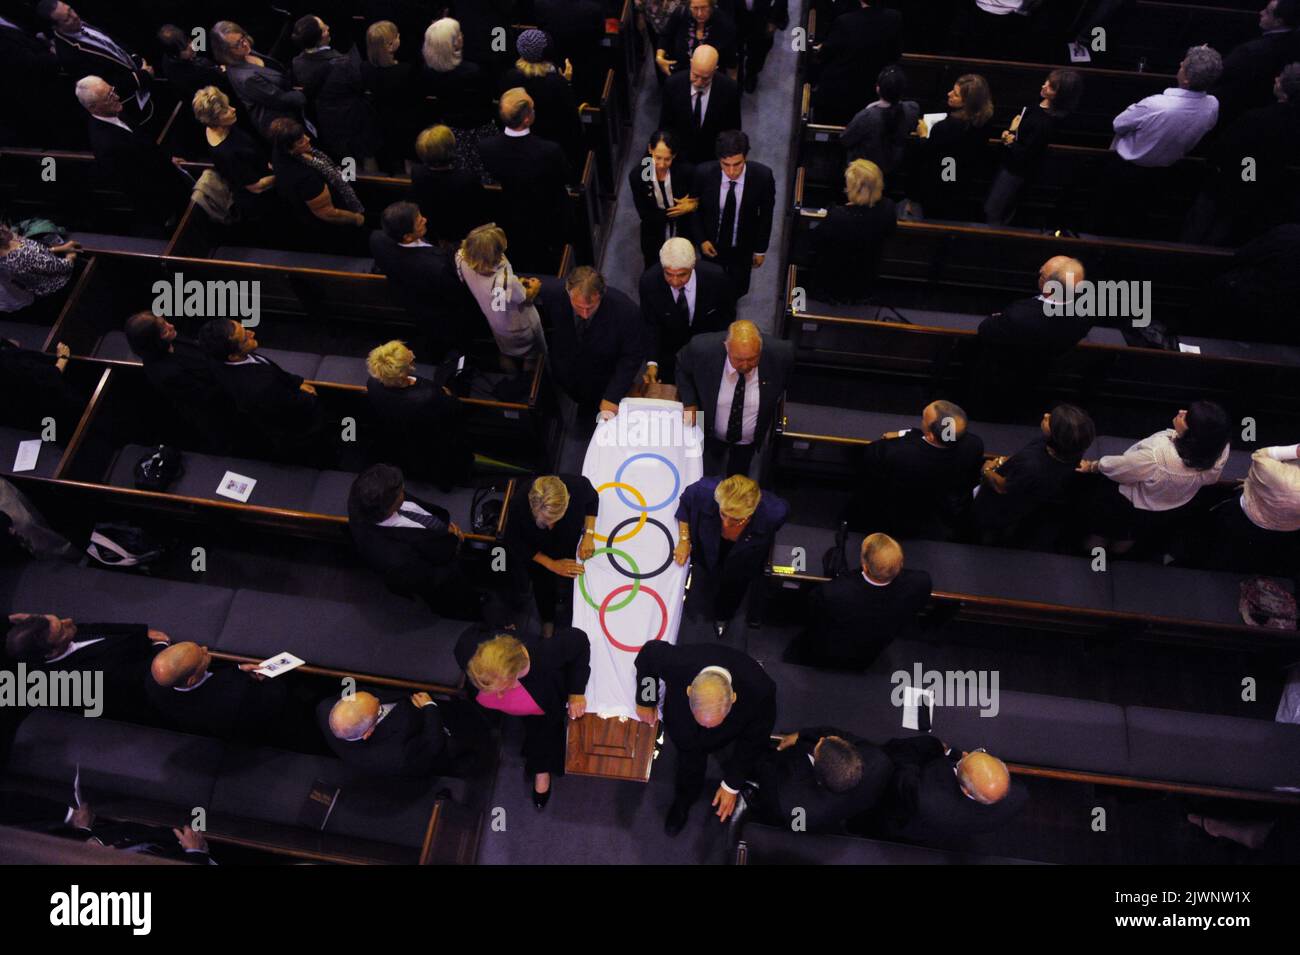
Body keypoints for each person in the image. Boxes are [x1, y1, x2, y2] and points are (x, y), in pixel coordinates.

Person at [633, 642, 776, 835]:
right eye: (702, 720)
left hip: (729, 734)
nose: (706, 728)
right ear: (689, 690)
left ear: (733, 698)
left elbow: (754, 739)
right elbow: (648, 655)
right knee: (688, 768)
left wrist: (732, 784)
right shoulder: (677, 662)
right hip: (685, 736)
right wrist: (645, 698)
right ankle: (684, 801)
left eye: (712, 722)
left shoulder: (759, 689)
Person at [455, 624, 590, 809]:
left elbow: (580, 639)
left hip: (542, 707)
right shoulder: (467, 649)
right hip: (517, 706)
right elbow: (472, 631)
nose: (497, 695)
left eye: (500, 688)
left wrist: (576, 692)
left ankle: (541, 769)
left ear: (514, 673)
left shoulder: (545, 655)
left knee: (545, 730)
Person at [1077, 402, 1231, 554]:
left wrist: (1092, 466)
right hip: (1162, 508)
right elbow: (1211, 479)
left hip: (1125, 502)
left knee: (1100, 534)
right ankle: (1113, 561)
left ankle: (1091, 562)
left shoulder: (1156, 455)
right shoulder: (1220, 449)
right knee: (1128, 537)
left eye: (1187, 417)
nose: (1181, 411)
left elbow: (1118, 468)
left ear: (1192, 436)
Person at [1185, 63, 1300, 246]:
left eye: (1280, 79)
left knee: (1205, 231)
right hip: (1269, 192)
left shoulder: (1257, 119)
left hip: (1231, 186)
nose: (1276, 79)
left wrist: (1246, 174)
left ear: (1283, 89)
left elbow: (1222, 150)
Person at [784, 533, 932, 669]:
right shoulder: (920, 583)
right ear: (900, 565)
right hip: (868, 653)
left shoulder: (833, 592)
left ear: (865, 566)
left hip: (825, 649)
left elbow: (812, 613)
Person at [846, 400, 986, 539]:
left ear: (930, 435)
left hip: (897, 514)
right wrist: (908, 434)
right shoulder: (974, 446)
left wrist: (905, 437)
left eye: (924, 419)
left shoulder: (893, 452)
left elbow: (867, 459)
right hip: (943, 515)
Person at [971, 255, 1090, 415]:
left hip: (998, 379)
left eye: (1042, 274)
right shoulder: (1084, 316)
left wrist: (999, 319)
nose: (1039, 275)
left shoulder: (1019, 314)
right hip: (1041, 377)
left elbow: (985, 330)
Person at [673, 319, 793, 477]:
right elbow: (682, 367)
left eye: (752, 359)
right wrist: (690, 402)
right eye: (738, 359)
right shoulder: (701, 348)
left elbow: (786, 383)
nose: (745, 366)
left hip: (748, 440)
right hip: (709, 431)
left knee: (738, 479)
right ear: (726, 347)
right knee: (705, 471)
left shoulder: (781, 354)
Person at [674, 474, 789, 636]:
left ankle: (723, 616)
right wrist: (684, 540)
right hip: (708, 546)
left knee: (734, 588)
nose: (726, 523)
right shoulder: (703, 491)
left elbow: (777, 524)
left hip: (745, 558)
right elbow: (685, 505)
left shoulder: (774, 512)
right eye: (723, 514)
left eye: (736, 519)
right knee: (705, 573)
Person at [197, 317, 324, 458]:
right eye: (245, 337)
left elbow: (272, 370)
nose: (252, 333)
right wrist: (311, 398)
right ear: (233, 356)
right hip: (298, 427)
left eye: (245, 330)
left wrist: (297, 382)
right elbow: (294, 407)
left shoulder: (222, 357)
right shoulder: (261, 388)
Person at [972, 404, 1096, 549]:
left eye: (1050, 420)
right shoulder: (1071, 451)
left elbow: (1002, 487)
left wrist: (986, 470)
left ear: (1056, 435)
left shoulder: (1032, 465)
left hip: (1000, 506)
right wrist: (1002, 461)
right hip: (1029, 497)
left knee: (987, 528)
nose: (1045, 415)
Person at [5, 613, 170, 720]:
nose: (68, 620)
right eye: (62, 629)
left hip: (135, 654)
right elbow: (143, 676)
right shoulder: (84, 679)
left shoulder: (55, 640)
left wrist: (141, 633)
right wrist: (161, 645)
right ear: (52, 653)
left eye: (59, 619)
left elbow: (95, 629)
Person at [536, 267, 651, 420]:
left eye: (590, 308)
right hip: (569, 376)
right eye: (578, 307)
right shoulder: (554, 293)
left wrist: (612, 395)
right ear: (568, 290)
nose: (584, 314)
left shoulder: (626, 312)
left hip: (604, 380)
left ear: (601, 295)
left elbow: (632, 355)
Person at [477, 88, 573, 271]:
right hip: (550, 212)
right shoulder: (549, 150)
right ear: (527, 119)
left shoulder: (487, 147)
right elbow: (565, 176)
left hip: (512, 213)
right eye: (533, 109)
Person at [75, 76, 190, 228]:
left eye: (112, 91)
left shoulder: (114, 111)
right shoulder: (105, 144)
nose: (117, 97)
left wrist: (167, 158)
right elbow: (136, 184)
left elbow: (145, 142)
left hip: (169, 177)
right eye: (109, 97)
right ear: (93, 107)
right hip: (162, 199)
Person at [876, 736, 1027, 844]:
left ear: (966, 791)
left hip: (911, 830)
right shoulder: (1019, 795)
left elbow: (904, 770)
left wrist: (937, 749)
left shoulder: (923, 795)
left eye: (960, 762)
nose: (965, 754)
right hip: (959, 835)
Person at [363, 342, 473, 489]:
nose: (412, 353)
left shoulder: (373, 384)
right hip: (430, 438)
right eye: (409, 359)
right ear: (402, 373)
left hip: (399, 436)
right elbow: (455, 409)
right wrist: (446, 394)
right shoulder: (427, 396)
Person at [984, 69, 1084, 225]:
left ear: (1061, 95)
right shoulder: (1038, 106)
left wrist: (1009, 140)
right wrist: (1009, 132)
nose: (1044, 86)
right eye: (1047, 82)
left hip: (1016, 171)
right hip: (1009, 163)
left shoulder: (1047, 123)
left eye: (1051, 87)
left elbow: (1027, 153)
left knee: (994, 209)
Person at [369, 201, 466, 360]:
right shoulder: (437, 267)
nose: (425, 220)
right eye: (420, 222)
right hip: (436, 309)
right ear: (407, 237)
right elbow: (455, 293)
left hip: (407, 296)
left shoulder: (377, 238)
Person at [503, 474, 599, 637]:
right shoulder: (519, 505)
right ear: (533, 507)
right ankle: (548, 620)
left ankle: (575, 610)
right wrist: (551, 564)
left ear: (567, 499)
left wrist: (589, 534)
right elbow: (514, 541)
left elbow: (593, 500)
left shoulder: (577, 486)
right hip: (538, 551)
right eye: (545, 520)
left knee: (583, 577)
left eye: (555, 517)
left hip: (569, 540)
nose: (549, 524)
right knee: (541, 582)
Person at [145, 641, 292, 744]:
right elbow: (277, 695)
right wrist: (267, 680)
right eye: (201, 656)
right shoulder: (235, 698)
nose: (204, 648)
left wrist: (239, 670)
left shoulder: (153, 681)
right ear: (191, 679)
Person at [751, 727, 894, 833]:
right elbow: (841, 735)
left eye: (817, 748)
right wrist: (801, 735)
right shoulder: (879, 761)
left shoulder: (788, 805)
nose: (820, 739)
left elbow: (766, 771)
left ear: (819, 780)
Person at [123, 311, 230, 449]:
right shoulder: (167, 372)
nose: (171, 326)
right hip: (217, 412)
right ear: (153, 340)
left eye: (165, 322)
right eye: (164, 330)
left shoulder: (169, 342)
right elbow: (209, 395)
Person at [38, 0, 154, 125]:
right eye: (67, 19)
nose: (75, 16)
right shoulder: (69, 56)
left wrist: (134, 57)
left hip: (143, 75)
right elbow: (103, 87)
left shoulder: (79, 21)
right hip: (135, 101)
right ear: (56, 28)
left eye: (70, 9)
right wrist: (140, 77)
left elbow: (110, 40)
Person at [692, 129, 776, 298]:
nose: (731, 171)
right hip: (711, 244)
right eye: (725, 164)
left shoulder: (763, 176)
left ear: (745, 157)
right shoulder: (703, 173)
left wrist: (760, 250)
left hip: (743, 245)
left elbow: (766, 215)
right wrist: (701, 240)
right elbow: (694, 210)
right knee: (709, 286)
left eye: (737, 164)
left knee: (738, 288)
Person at [638, 237, 735, 383]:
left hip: (706, 351)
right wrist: (652, 363)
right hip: (669, 354)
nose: (675, 281)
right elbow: (650, 325)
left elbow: (726, 317)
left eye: (682, 274)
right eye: (668, 274)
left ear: (693, 265)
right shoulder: (649, 282)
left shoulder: (717, 278)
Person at [317, 689, 473, 778]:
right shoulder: (398, 755)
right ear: (368, 732)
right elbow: (433, 744)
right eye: (379, 709)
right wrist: (429, 707)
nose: (378, 700)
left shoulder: (325, 708)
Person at [1112, 45, 1223, 168]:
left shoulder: (1155, 105)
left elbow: (1118, 124)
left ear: (1186, 79)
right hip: (1170, 168)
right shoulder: (1213, 105)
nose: (1180, 63)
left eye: (1182, 66)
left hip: (1128, 167)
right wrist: (1203, 56)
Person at [290, 14, 379, 168]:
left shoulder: (297, 62)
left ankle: (350, 185)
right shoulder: (343, 63)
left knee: (346, 160)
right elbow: (359, 85)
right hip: (354, 118)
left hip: (327, 121)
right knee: (366, 154)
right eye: (324, 28)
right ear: (319, 37)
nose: (328, 28)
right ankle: (371, 186)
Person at [455, 223, 546, 371]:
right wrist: (534, 287)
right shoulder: (505, 282)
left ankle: (511, 378)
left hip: (495, 322)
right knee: (533, 357)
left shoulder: (462, 258)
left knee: (506, 353)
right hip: (518, 326)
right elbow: (525, 297)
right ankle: (531, 384)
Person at [1201, 443, 1300, 574]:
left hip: (1246, 514)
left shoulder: (1277, 474)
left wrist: (1295, 450)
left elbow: (1260, 455)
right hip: (1287, 528)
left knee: (1224, 544)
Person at [808, 159, 897, 304]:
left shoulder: (838, 215)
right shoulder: (888, 208)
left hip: (835, 277)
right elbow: (890, 233)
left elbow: (817, 242)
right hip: (868, 274)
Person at [909, 74, 995, 221]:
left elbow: (928, 151)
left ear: (967, 102)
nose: (949, 94)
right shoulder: (984, 119)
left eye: (955, 94)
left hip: (943, 175)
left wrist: (923, 135)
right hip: (961, 175)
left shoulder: (948, 127)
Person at [499, 29, 584, 176]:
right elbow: (570, 116)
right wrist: (567, 82)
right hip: (555, 139)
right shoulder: (556, 82)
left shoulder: (510, 77)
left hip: (527, 137)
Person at [422, 18, 497, 180]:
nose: (462, 35)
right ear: (452, 44)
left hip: (451, 129)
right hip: (478, 128)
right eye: (458, 35)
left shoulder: (429, 70)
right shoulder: (472, 71)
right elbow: (487, 97)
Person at [191, 85, 276, 221]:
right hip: (264, 198)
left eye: (228, 105)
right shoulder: (227, 153)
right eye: (225, 111)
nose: (233, 110)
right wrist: (280, 173)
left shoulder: (218, 127)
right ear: (214, 121)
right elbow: (256, 187)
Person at [211, 20, 308, 138]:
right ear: (225, 52)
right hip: (284, 123)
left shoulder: (245, 52)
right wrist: (306, 93)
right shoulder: (245, 78)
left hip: (290, 99)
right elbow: (280, 100)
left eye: (243, 38)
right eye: (237, 44)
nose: (245, 44)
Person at [811, 0, 903, 124]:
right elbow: (896, 54)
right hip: (874, 92)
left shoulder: (844, 22)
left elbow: (825, 54)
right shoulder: (894, 18)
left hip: (841, 96)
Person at [268, 117, 366, 231]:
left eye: (304, 135)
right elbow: (329, 213)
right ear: (289, 149)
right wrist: (356, 219)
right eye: (300, 142)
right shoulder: (306, 179)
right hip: (332, 221)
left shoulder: (280, 148)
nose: (308, 139)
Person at [1211, 0, 1300, 125]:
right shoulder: (1294, 45)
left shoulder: (1251, 51)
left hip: (1232, 109)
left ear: (1278, 21)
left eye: (1267, 12)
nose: (1261, 12)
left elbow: (1219, 74)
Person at [658, 45, 742, 166]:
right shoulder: (672, 85)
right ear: (691, 63)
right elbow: (665, 125)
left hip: (712, 159)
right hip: (680, 157)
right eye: (695, 75)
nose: (699, 82)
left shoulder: (729, 90)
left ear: (715, 69)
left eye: (705, 78)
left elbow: (733, 130)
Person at [629, 130, 700, 269]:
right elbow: (645, 213)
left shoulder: (687, 171)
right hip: (654, 230)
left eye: (667, 159)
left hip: (684, 228)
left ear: (674, 155)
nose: (661, 165)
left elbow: (699, 197)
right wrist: (678, 211)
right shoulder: (639, 175)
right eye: (657, 157)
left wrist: (693, 206)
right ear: (650, 149)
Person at [361, 20, 424, 176]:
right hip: (405, 126)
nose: (399, 38)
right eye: (396, 37)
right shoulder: (406, 71)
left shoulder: (365, 69)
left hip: (379, 127)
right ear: (389, 46)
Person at [410, 125, 487, 249]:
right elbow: (480, 209)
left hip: (433, 230)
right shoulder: (466, 179)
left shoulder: (417, 172)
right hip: (461, 234)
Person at [841, 65, 921, 175]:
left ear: (878, 88)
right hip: (895, 170)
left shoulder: (867, 116)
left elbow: (845, 139)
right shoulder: (912, 109)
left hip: (866, 173)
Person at [0, 224, 77, 307]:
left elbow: (38, 251)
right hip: (59, 284)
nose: (2, 227)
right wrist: (71, 254)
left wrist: (61, 248)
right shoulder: (20, 257)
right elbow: (63, 267)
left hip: (54, 266)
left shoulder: (10, 243)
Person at [657, 0, 738, 78]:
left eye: (704, 7)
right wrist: (659, 57)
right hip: (680, 74)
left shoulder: (724, 24)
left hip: (710, 78)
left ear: (711, 6)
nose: (699, 14)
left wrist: (730, 86)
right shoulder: (680, 14)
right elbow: (666, 36)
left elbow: (731, 61)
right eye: (695, 8)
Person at [156, 23, 224, 100]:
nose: (192, 46)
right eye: (184, 49)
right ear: (175, 55)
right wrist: (221, 70)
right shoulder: (200, 68)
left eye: (188, 41)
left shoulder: (168, 57)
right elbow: (222, 81)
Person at [731, 0, 788, 93]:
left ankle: (751, 73)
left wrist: (773, 20)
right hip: (737, 14)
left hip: (763, 17)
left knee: (758, 51)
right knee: (736, 50)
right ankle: (738, 79)